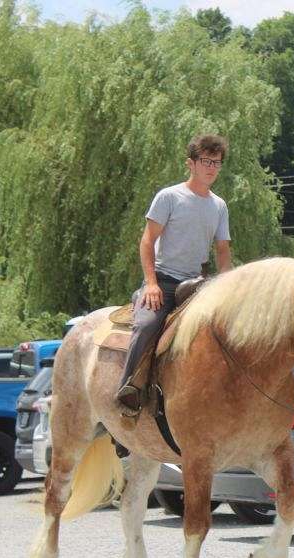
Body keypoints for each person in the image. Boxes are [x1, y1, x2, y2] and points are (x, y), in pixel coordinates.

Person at [116, 133, 233, 415]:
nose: (211, 168)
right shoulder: (169, 197)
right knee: (147, 325)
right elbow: (147, 241)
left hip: (197, 286)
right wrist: (151, 284)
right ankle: (129, 390)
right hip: (163, 282)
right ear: (190, 163)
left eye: (216, 162)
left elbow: (222, 251)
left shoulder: (219, 206)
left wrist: (229, 289)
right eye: (206, 161)